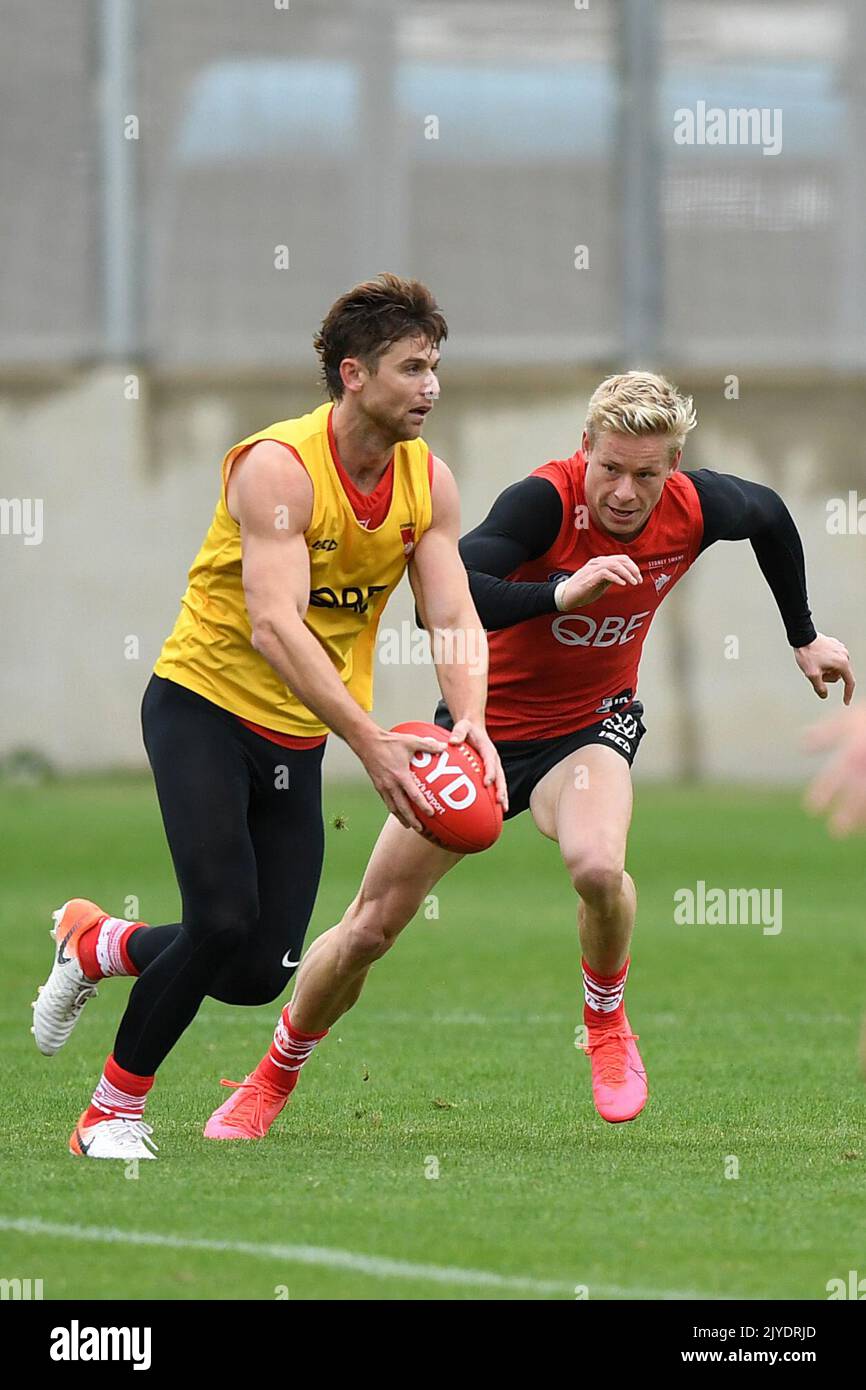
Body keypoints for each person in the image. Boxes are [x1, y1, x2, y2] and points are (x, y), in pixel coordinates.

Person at [209, 370, 855, 1137]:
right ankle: (269, 1079)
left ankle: (608, 1025)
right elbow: (443, 598)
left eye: (646, 474)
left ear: (672, 468)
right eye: (610, 468)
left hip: (590, 727)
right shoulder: (541, 504)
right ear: (585, 448)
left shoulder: (697, 506)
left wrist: (804, 635)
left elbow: (772, 516)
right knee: (370, 928)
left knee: (596, 866)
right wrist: (558, 593)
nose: (623, 491)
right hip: (480, 731)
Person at [31, 273, 505, 1160]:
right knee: (219, 919)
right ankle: (109, 1114)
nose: (431, 386)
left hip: (297, 736)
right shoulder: (279, 468)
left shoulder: (425, 480)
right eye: (412, 368)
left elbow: (450, 613)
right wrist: (370, 741)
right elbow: (275, 626)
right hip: (204, 706)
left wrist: (469, 716)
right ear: (354, 374)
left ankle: (100, 943)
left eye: (436, 366)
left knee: (256, 970)